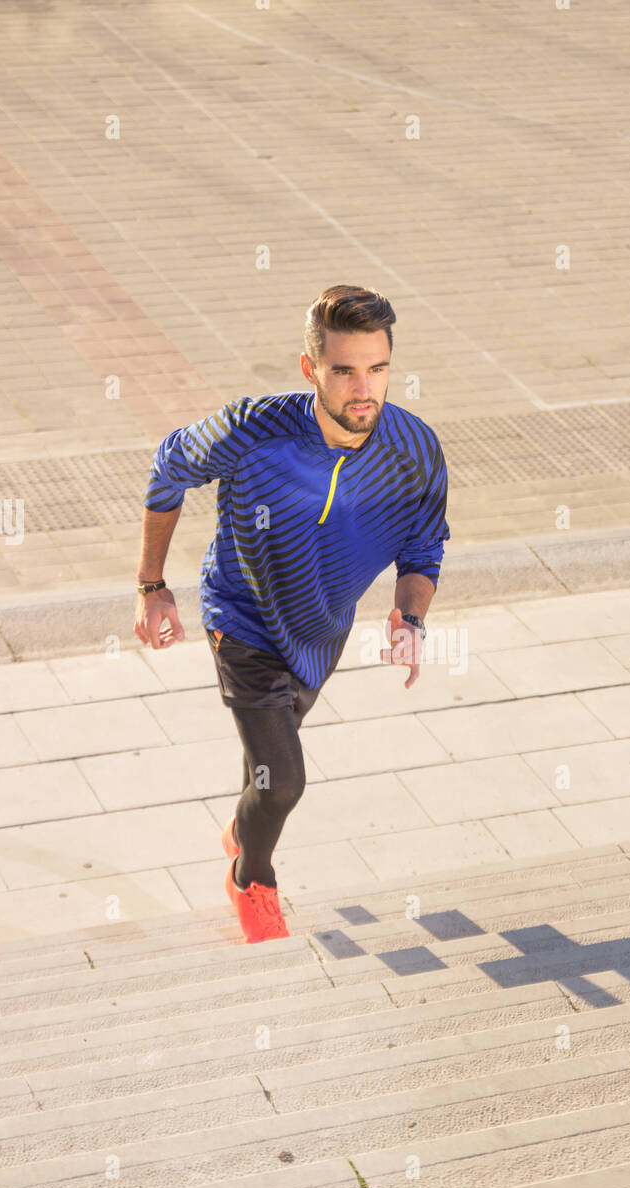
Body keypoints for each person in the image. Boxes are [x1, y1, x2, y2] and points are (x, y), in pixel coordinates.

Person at [133, 285, 450, 943]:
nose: (363, 389)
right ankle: (252, 879)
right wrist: (151, 584)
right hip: (241, 620)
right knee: (283, 784)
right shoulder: (253, 430)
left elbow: (424, 544)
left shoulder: (414, 450)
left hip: (321, 633)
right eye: (344, 371)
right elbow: (168, 469)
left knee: (265, 772)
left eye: (377, 368)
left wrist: (409, 617)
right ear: (312, 370)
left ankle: (244, 826)